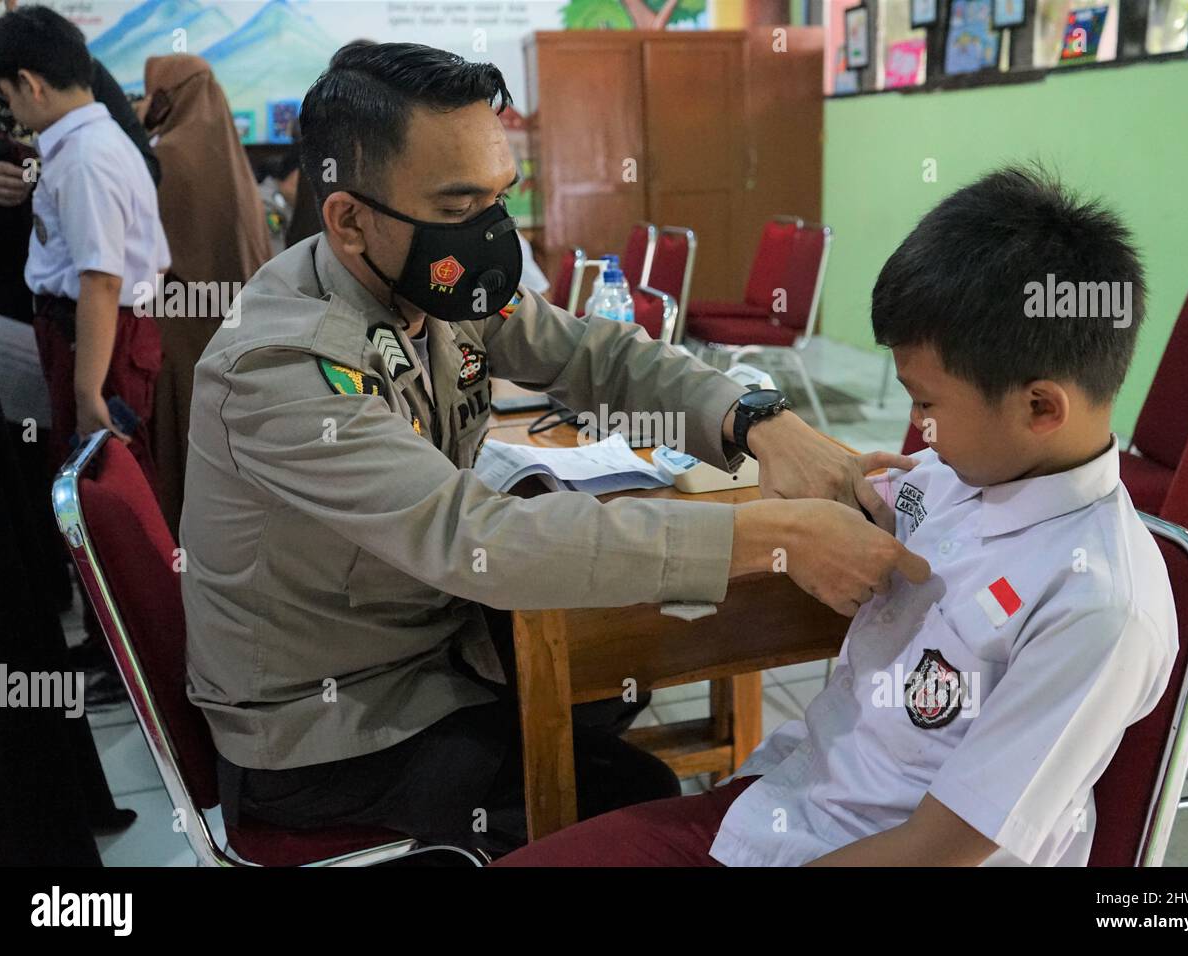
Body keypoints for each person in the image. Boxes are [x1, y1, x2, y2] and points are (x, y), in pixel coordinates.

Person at [181, 41, 928, 858]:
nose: (492, 232)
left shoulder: (430, 280)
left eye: (502, 197)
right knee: (633, 796)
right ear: (351, 220)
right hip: (331, 720)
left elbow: (593, 355)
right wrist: (774, 537)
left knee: (619, 666)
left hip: (429, 643)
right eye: (461, 206)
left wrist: (758, 421)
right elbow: (470, 537)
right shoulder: (282, 365)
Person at [496, 165, 1177, 866]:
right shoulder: (955, 475)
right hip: (791, 800)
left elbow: (939, 848)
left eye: (927, 404)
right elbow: (843, 503)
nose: (917, 427)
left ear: (1040, 408)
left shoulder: (1095, 606)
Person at [0, 6, 169, 482]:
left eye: (7, 96)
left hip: (93, 340)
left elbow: (102, 280)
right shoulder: (93, 142)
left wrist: (87, 394)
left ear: (30, 84)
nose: (13, 111)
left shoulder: (86, 159)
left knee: (101, 484)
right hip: (94, 334)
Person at [139, 53, 272, 535]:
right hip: (234, 326)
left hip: (178, 328)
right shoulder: (228, 151)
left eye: (155, 92)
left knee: (182, 453)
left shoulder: (165, 155)